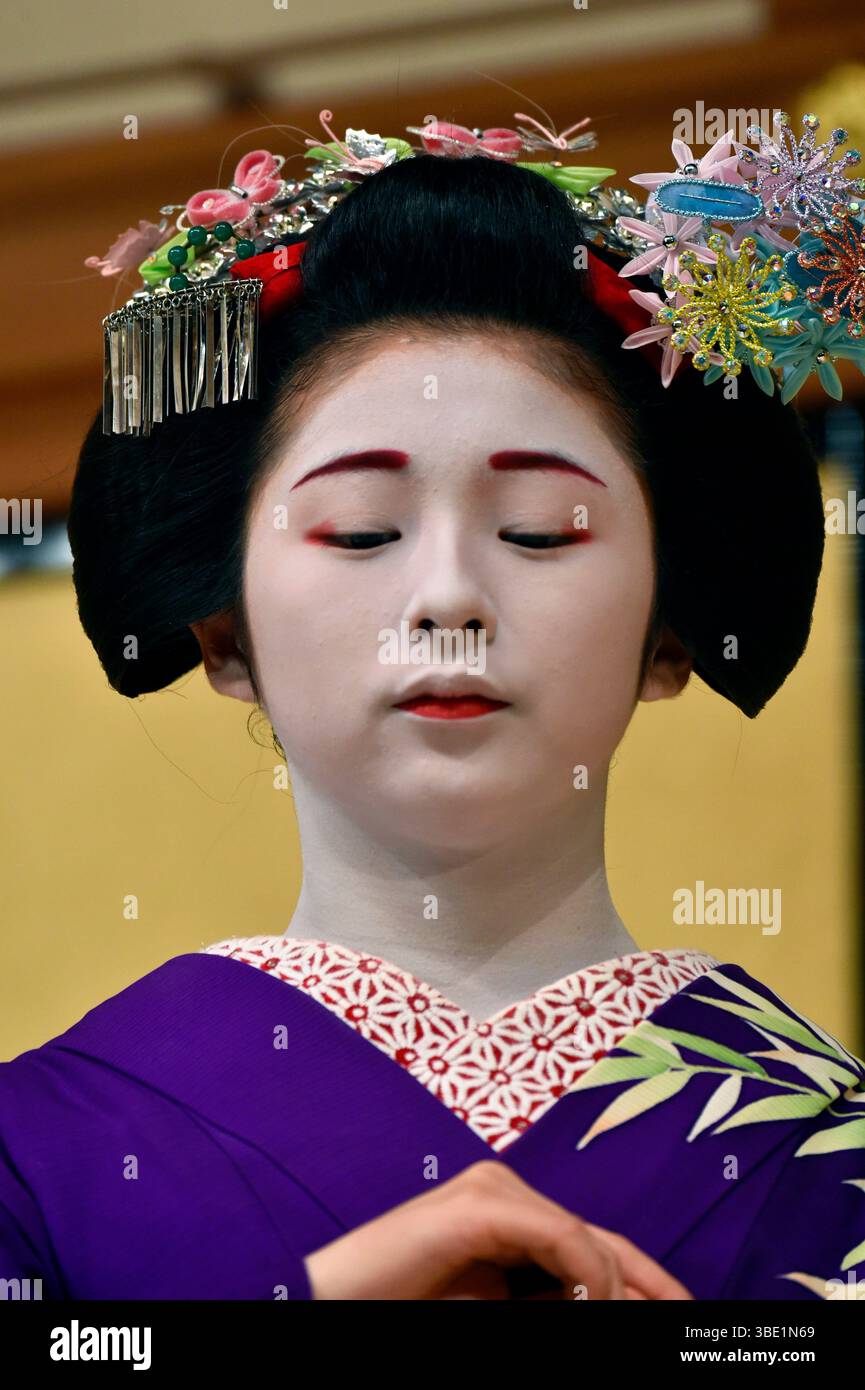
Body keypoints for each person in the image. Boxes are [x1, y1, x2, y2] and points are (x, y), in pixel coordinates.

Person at [2, 115, 863, 1302]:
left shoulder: (833, 1148)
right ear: (223, 631)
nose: (450, 593)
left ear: (670, 630)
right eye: (359, 530)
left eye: (538, 532)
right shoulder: (38, 1150)